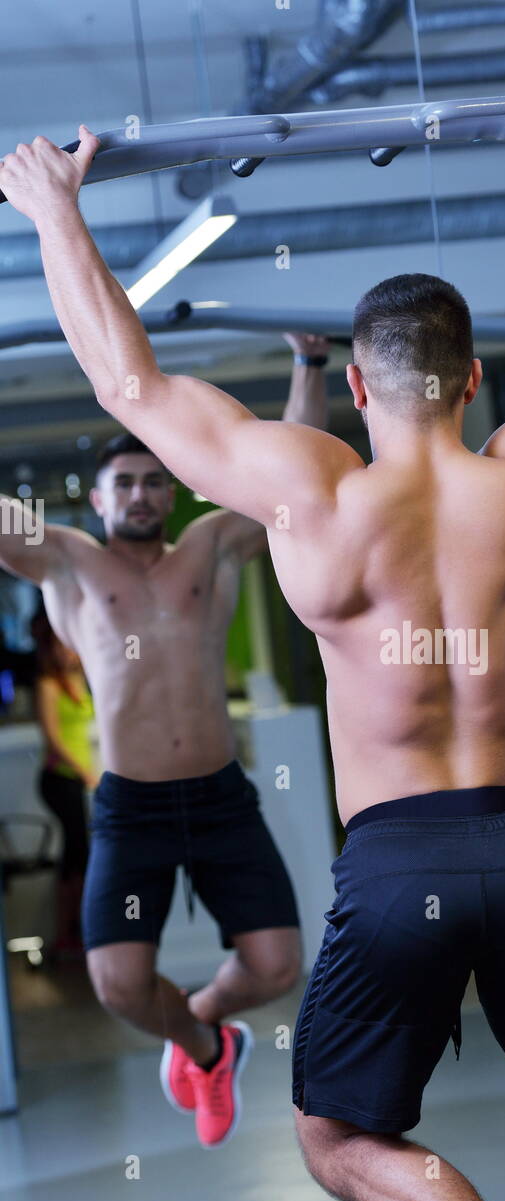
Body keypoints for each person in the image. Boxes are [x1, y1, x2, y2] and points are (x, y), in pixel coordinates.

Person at [0, 79, 505, 1201]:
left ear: (366, 389)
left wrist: (53, 210)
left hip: (394, 864)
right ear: (474, 377)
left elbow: (130, 388)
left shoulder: (308, 490)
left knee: (335, 1135)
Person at [0, 338, 330, 1149]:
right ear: (100, 499)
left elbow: (294, 476)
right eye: (124, 484)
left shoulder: (211, 548)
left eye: (153, 481)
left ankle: (212, 1023)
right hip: (132, 809)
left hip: (220, 796)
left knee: (278, 967)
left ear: (171, 491)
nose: (140, 495)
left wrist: (310, 367)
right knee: (118, 986)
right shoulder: (69, 564)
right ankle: (203, 1048)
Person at [31, 604, 96, 958]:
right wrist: (84, 771)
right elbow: (53, 740)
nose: (68, 651)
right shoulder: (47, 685)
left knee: (76, 854)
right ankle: (69, 932)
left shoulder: (79, 680)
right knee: (77, 854)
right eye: (61, 645)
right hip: (59, 779)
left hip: (79, 780)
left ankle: (76, 931)